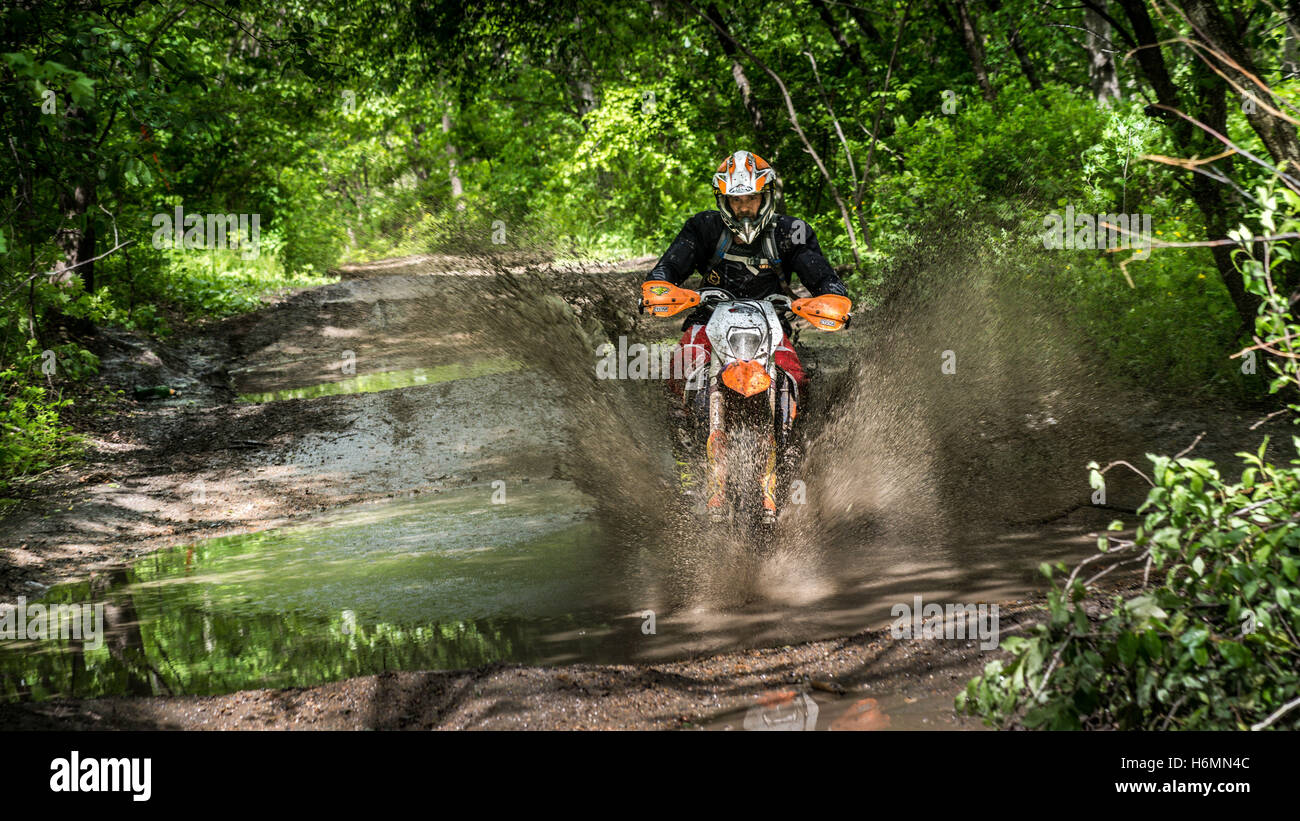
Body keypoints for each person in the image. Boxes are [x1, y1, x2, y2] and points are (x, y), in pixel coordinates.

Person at [644, 150, 848, 393]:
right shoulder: (703, 227)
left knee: (795, 380)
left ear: (766, 197)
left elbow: (821, 275)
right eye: (735, 200)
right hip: (707, 320)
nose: (744, 208)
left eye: (752, 198)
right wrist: (659, 287)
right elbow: (669, 266)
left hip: (771, 326)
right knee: (681, 370)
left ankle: (797, 417)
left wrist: (832, 296)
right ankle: (678, 417)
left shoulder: (791, 231)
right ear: (724, 201)